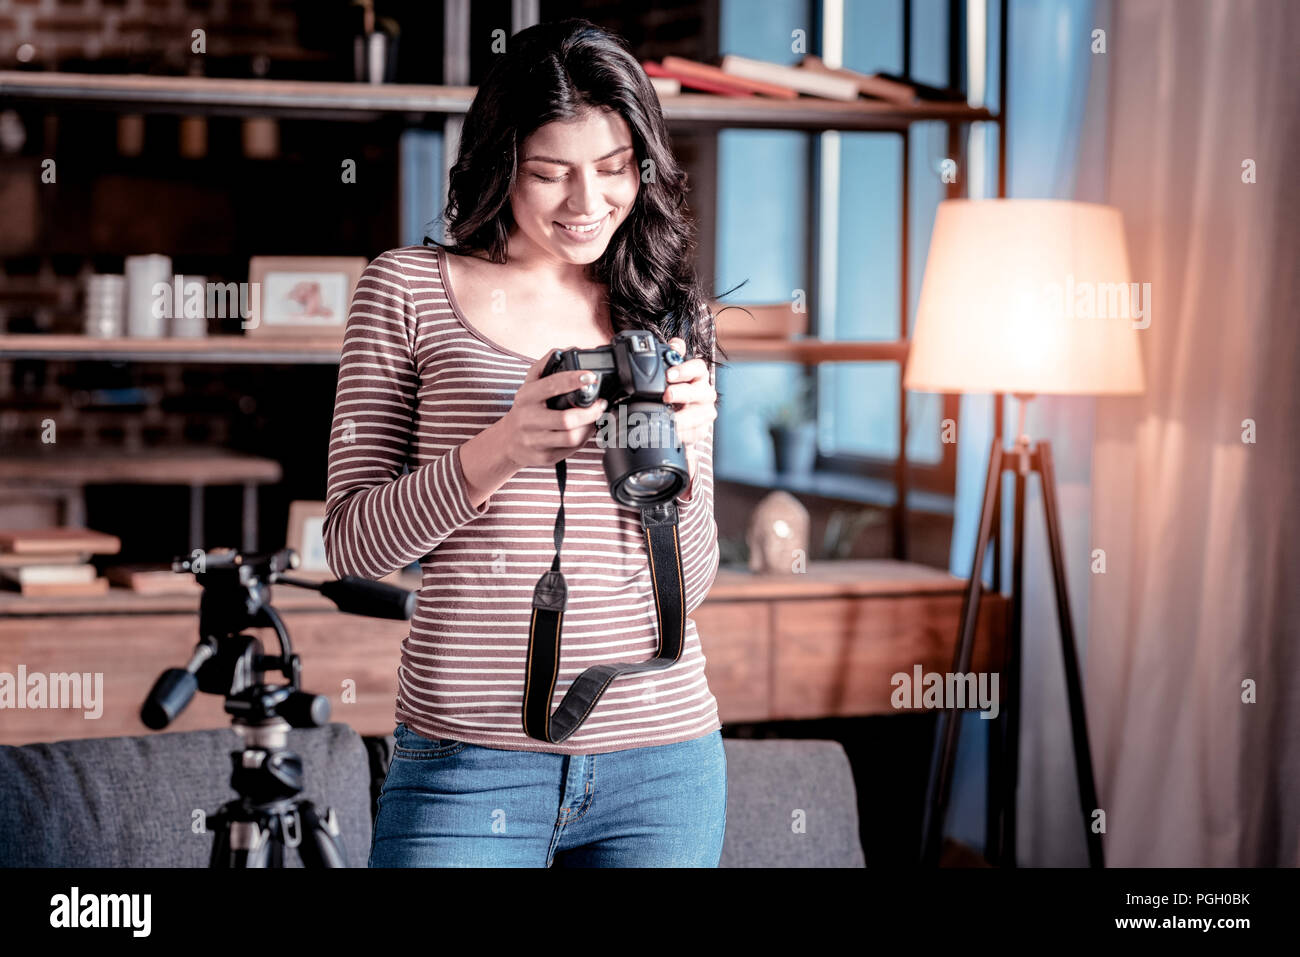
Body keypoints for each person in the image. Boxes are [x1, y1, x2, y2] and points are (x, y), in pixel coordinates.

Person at [322, 17, 727, 867]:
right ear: (501, 163)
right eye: (550, 173)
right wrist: (502, 447)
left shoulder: (664, 307)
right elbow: (352, 545)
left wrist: (689, 458)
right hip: (467, 762)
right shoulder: (407, 289)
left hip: (663, 762)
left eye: (613, 168)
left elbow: (690, 585)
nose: (587, 203)